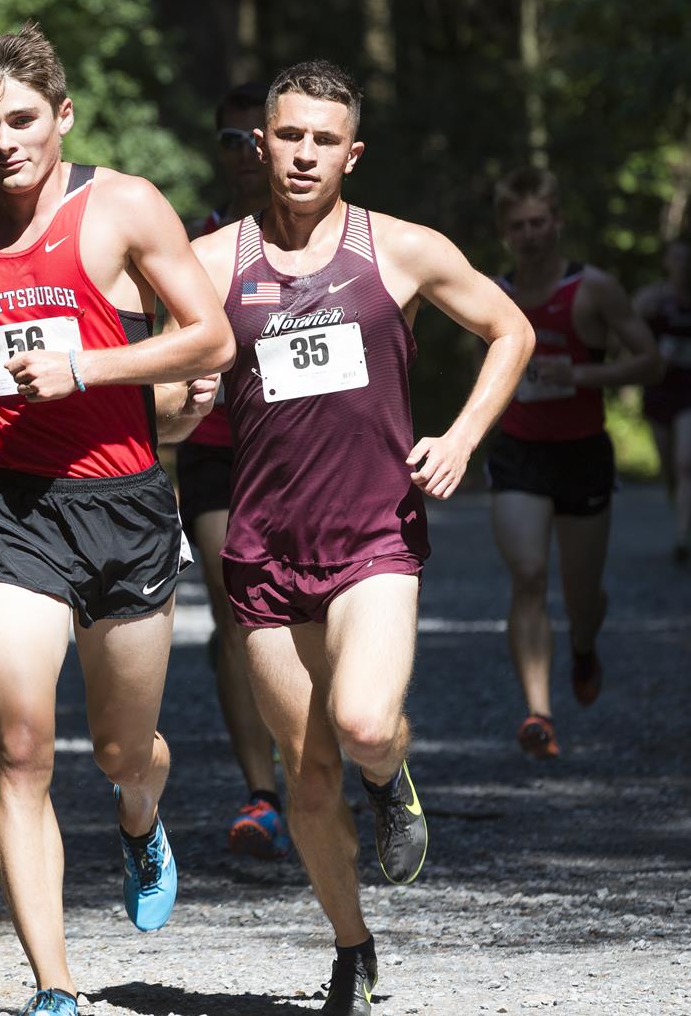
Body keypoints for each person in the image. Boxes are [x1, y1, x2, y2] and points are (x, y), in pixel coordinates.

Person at [162, 60, 533, 1015]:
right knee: (309, 780)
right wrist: (178, 402)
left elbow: (511, 329)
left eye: (325, 141)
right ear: (261, 142)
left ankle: (393, 767)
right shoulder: (209, 264)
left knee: (363, 724)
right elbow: (161, 402)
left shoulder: (399, 249)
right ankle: (351, 945)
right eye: (288, 136)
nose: (303, 155)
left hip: (375, 535)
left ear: (351, 154)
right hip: (264, 549)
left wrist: (458, 437)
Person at [0, 23, 234, 1016]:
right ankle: (55, 986)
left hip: (122, 508)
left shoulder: (120, 206)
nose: (3, 140)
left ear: (62, 115)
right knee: (22, 746)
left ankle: (138, 813)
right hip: (14, 513)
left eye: (22, 118)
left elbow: (210, 332)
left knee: (123, 748)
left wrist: (89, 366)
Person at [487, 167, 662, 760]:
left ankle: (584, 645)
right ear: (505, 233)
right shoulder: (493, 293)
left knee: (581, 596)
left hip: (582, 452)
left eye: (539, 222)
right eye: (518, 226)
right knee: (529, 575)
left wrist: (582, 374)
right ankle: (539, 713)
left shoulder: (594, 289)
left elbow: (650, 361)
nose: (531, 235)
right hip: (518, 452)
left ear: (557, 222)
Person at [165, 81, 291, 860]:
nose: (246, 154)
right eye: (230, 141)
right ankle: (262, 793)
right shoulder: (189, 248)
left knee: (312, 613)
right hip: (216, 450)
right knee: (236, 607)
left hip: (306, 454)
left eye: (259, 138)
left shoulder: (330, 242)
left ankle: (340, 749)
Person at [634, 240, 691, 564]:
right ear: (666, 263)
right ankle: (681, 517)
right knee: (670, 469)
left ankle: (683, 537)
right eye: (677, 259)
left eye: (688, 259)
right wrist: (653, 356)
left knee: (686, 462)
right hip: (659, 389)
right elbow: (628, 338)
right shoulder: (650, 300)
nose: (683, 265)